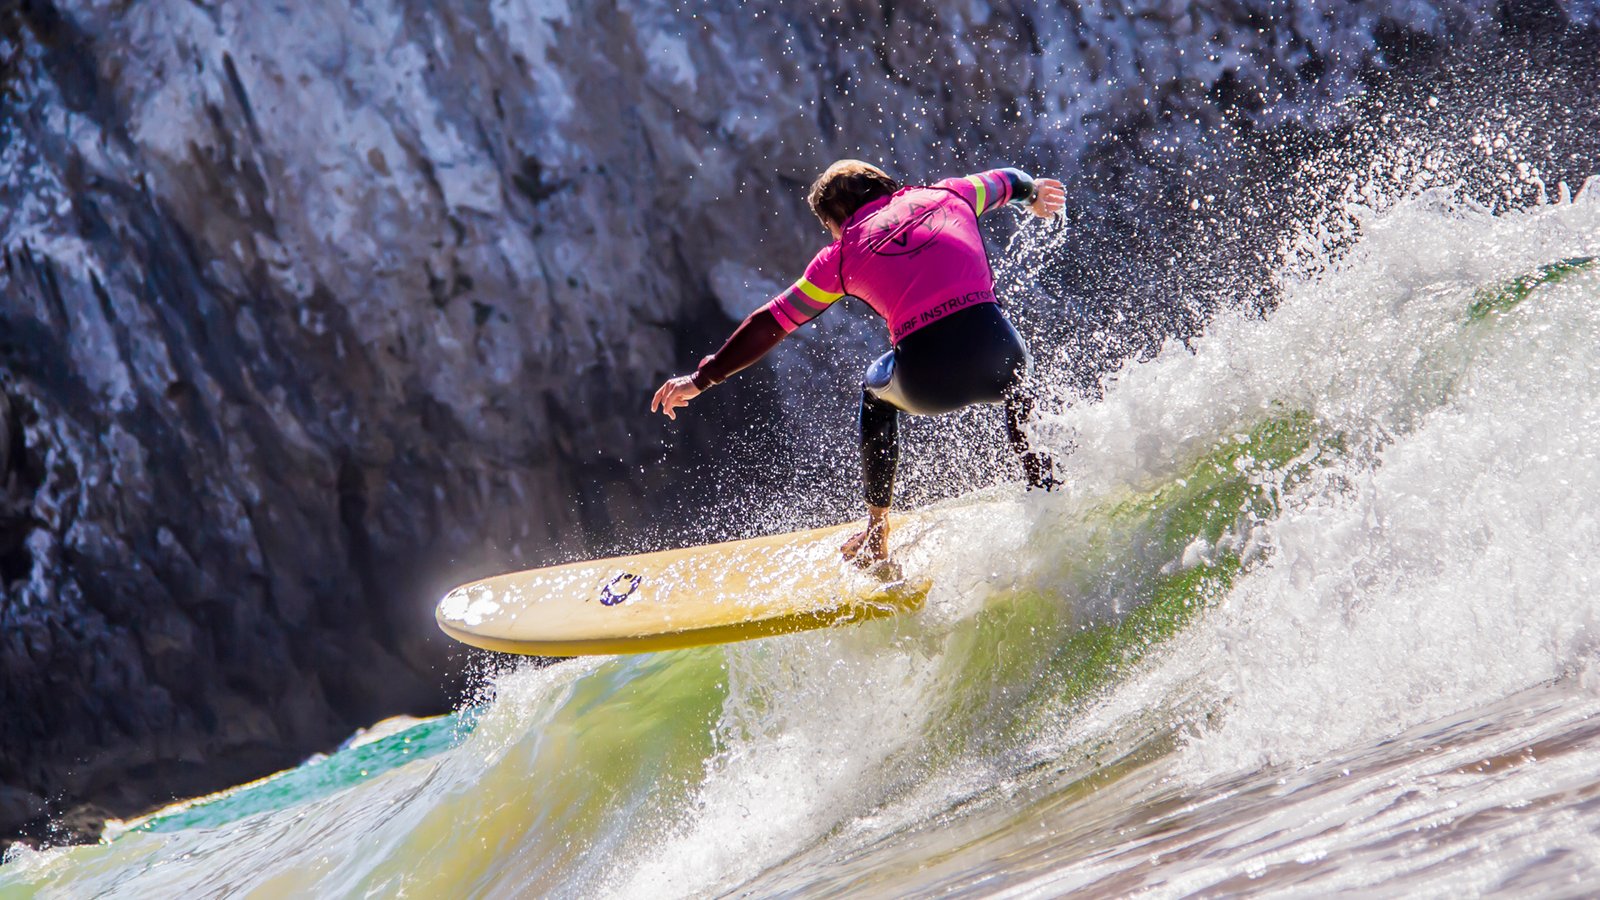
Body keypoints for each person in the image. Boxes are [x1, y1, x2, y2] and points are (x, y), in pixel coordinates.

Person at [651, 160, 1067, 569]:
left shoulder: (842, 256)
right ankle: (1045, 488)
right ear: (887, 185)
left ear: (834, 221)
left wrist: (702, 378)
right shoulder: (952, 193)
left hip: (927, 382)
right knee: (1018, 382)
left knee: (875, 393)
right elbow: (1009, 179)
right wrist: (1033, 194)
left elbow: (770, 323)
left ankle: (877, 530)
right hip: (1000, 359)